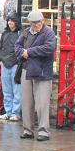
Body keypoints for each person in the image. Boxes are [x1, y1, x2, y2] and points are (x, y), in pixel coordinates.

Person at [15, 10, 56, 141]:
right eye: (34, 23)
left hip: (42, 72)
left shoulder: (48, 32)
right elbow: (17, 46)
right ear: (30, 23)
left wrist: (30, 52)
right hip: (27, 70)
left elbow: (49, 48)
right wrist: (22, 52)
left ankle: (44, 131)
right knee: (26, 103)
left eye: (38, 22)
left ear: (42, 21)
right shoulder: (26, 32)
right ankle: (27, 130)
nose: (37, 25)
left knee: (42, 103)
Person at [0, 16, 22, 121]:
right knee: (6, 90)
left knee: (17, 90)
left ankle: (15, 113)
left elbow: (21, 49)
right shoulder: (4, 33)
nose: (10, 22)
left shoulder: (20, 34)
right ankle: (8, 112)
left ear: (16, 22)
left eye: (12, 21)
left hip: (15, 65)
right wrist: (0, 60)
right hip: (5, 64)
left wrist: (18, 63)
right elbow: (0, 47)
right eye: (9, 21)